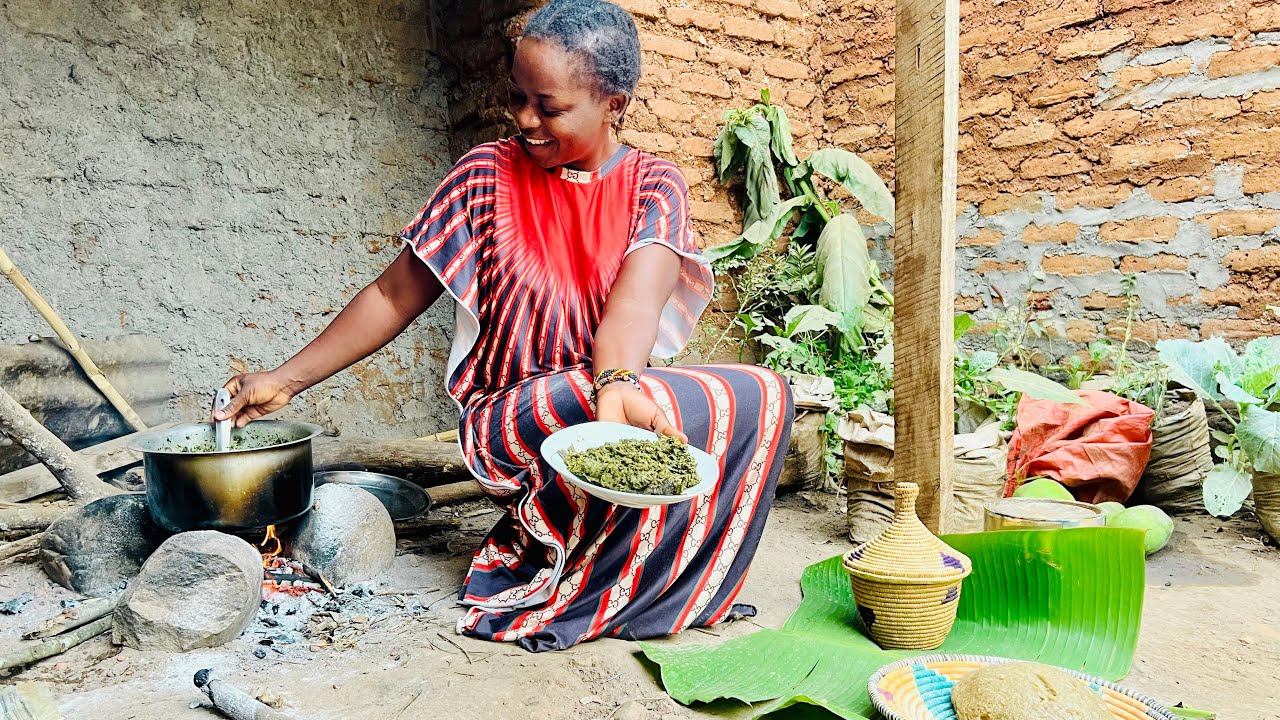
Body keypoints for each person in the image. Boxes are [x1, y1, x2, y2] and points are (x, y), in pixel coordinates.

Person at [215, 0, 793, 652]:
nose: (524, 119)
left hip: (609, 388)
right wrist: (286, 381)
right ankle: (572, 585)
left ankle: (649, 592)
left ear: (614, 104)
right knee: (599, 397)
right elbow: (392, 293)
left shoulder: (654, 184)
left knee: (762, 395)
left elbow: (636, 304)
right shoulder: (486, 175)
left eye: (548, 106)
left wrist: (618, 384)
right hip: (509, 419)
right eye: (518, 97)